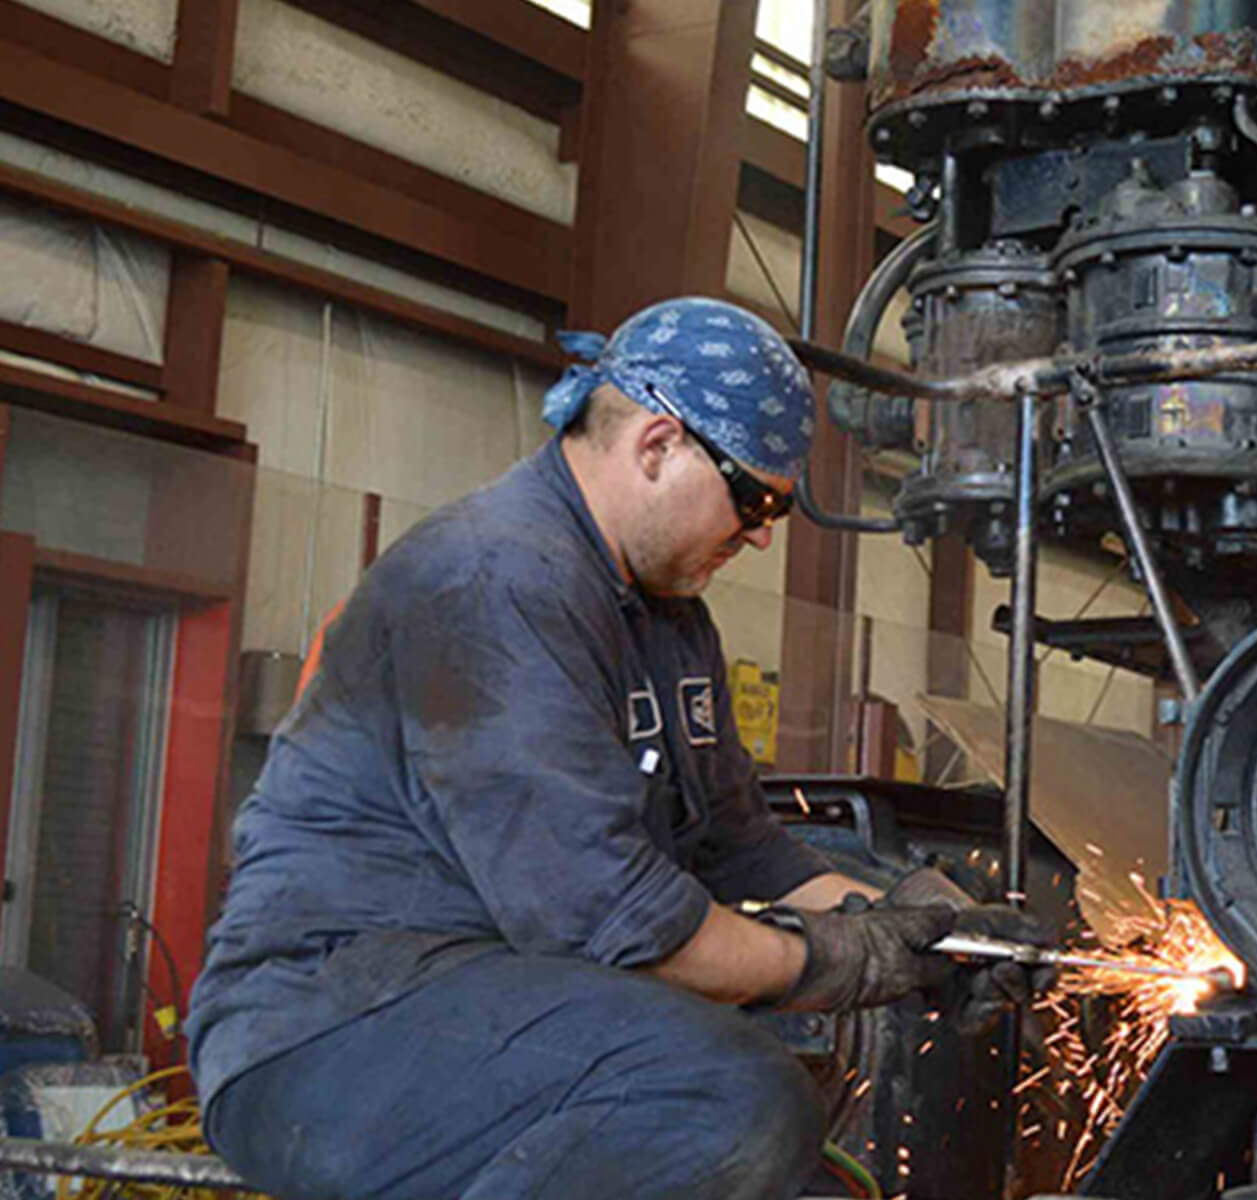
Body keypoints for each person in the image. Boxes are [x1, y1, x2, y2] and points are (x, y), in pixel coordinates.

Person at [186, 297, 1047, 1200]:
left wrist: (926, 921)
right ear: (658, 444)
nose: (758, 533)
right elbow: (617, 929)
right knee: (724, 1101)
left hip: (495, 1006)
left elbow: (739, 846)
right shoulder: (497, 580)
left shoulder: (670, 623)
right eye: (755, 499)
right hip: (332, 1026)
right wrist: (839, 959)